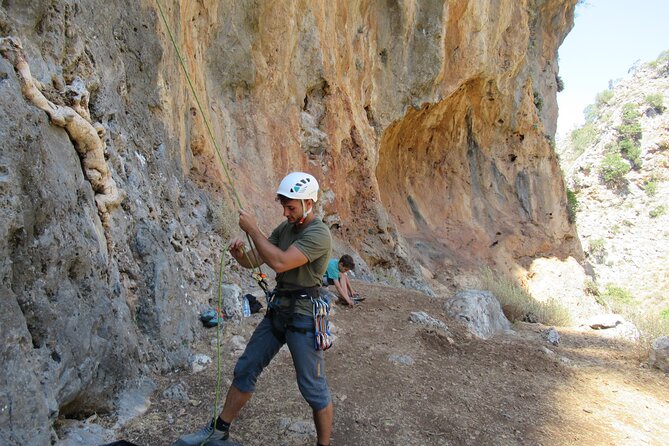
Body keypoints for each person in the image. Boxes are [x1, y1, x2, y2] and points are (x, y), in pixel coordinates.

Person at [175, 172, 333, 446]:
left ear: (309, 203)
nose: (285, 212)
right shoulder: (284, 230)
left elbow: (281, 263)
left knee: (313, 388)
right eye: (283, 206)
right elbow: (257, 259)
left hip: (305, 315)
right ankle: (219, 430)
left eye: (291, 206)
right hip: (279, 311)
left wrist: (253, 230)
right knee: (246, 368)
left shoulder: (319, 233)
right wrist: (241, 256)